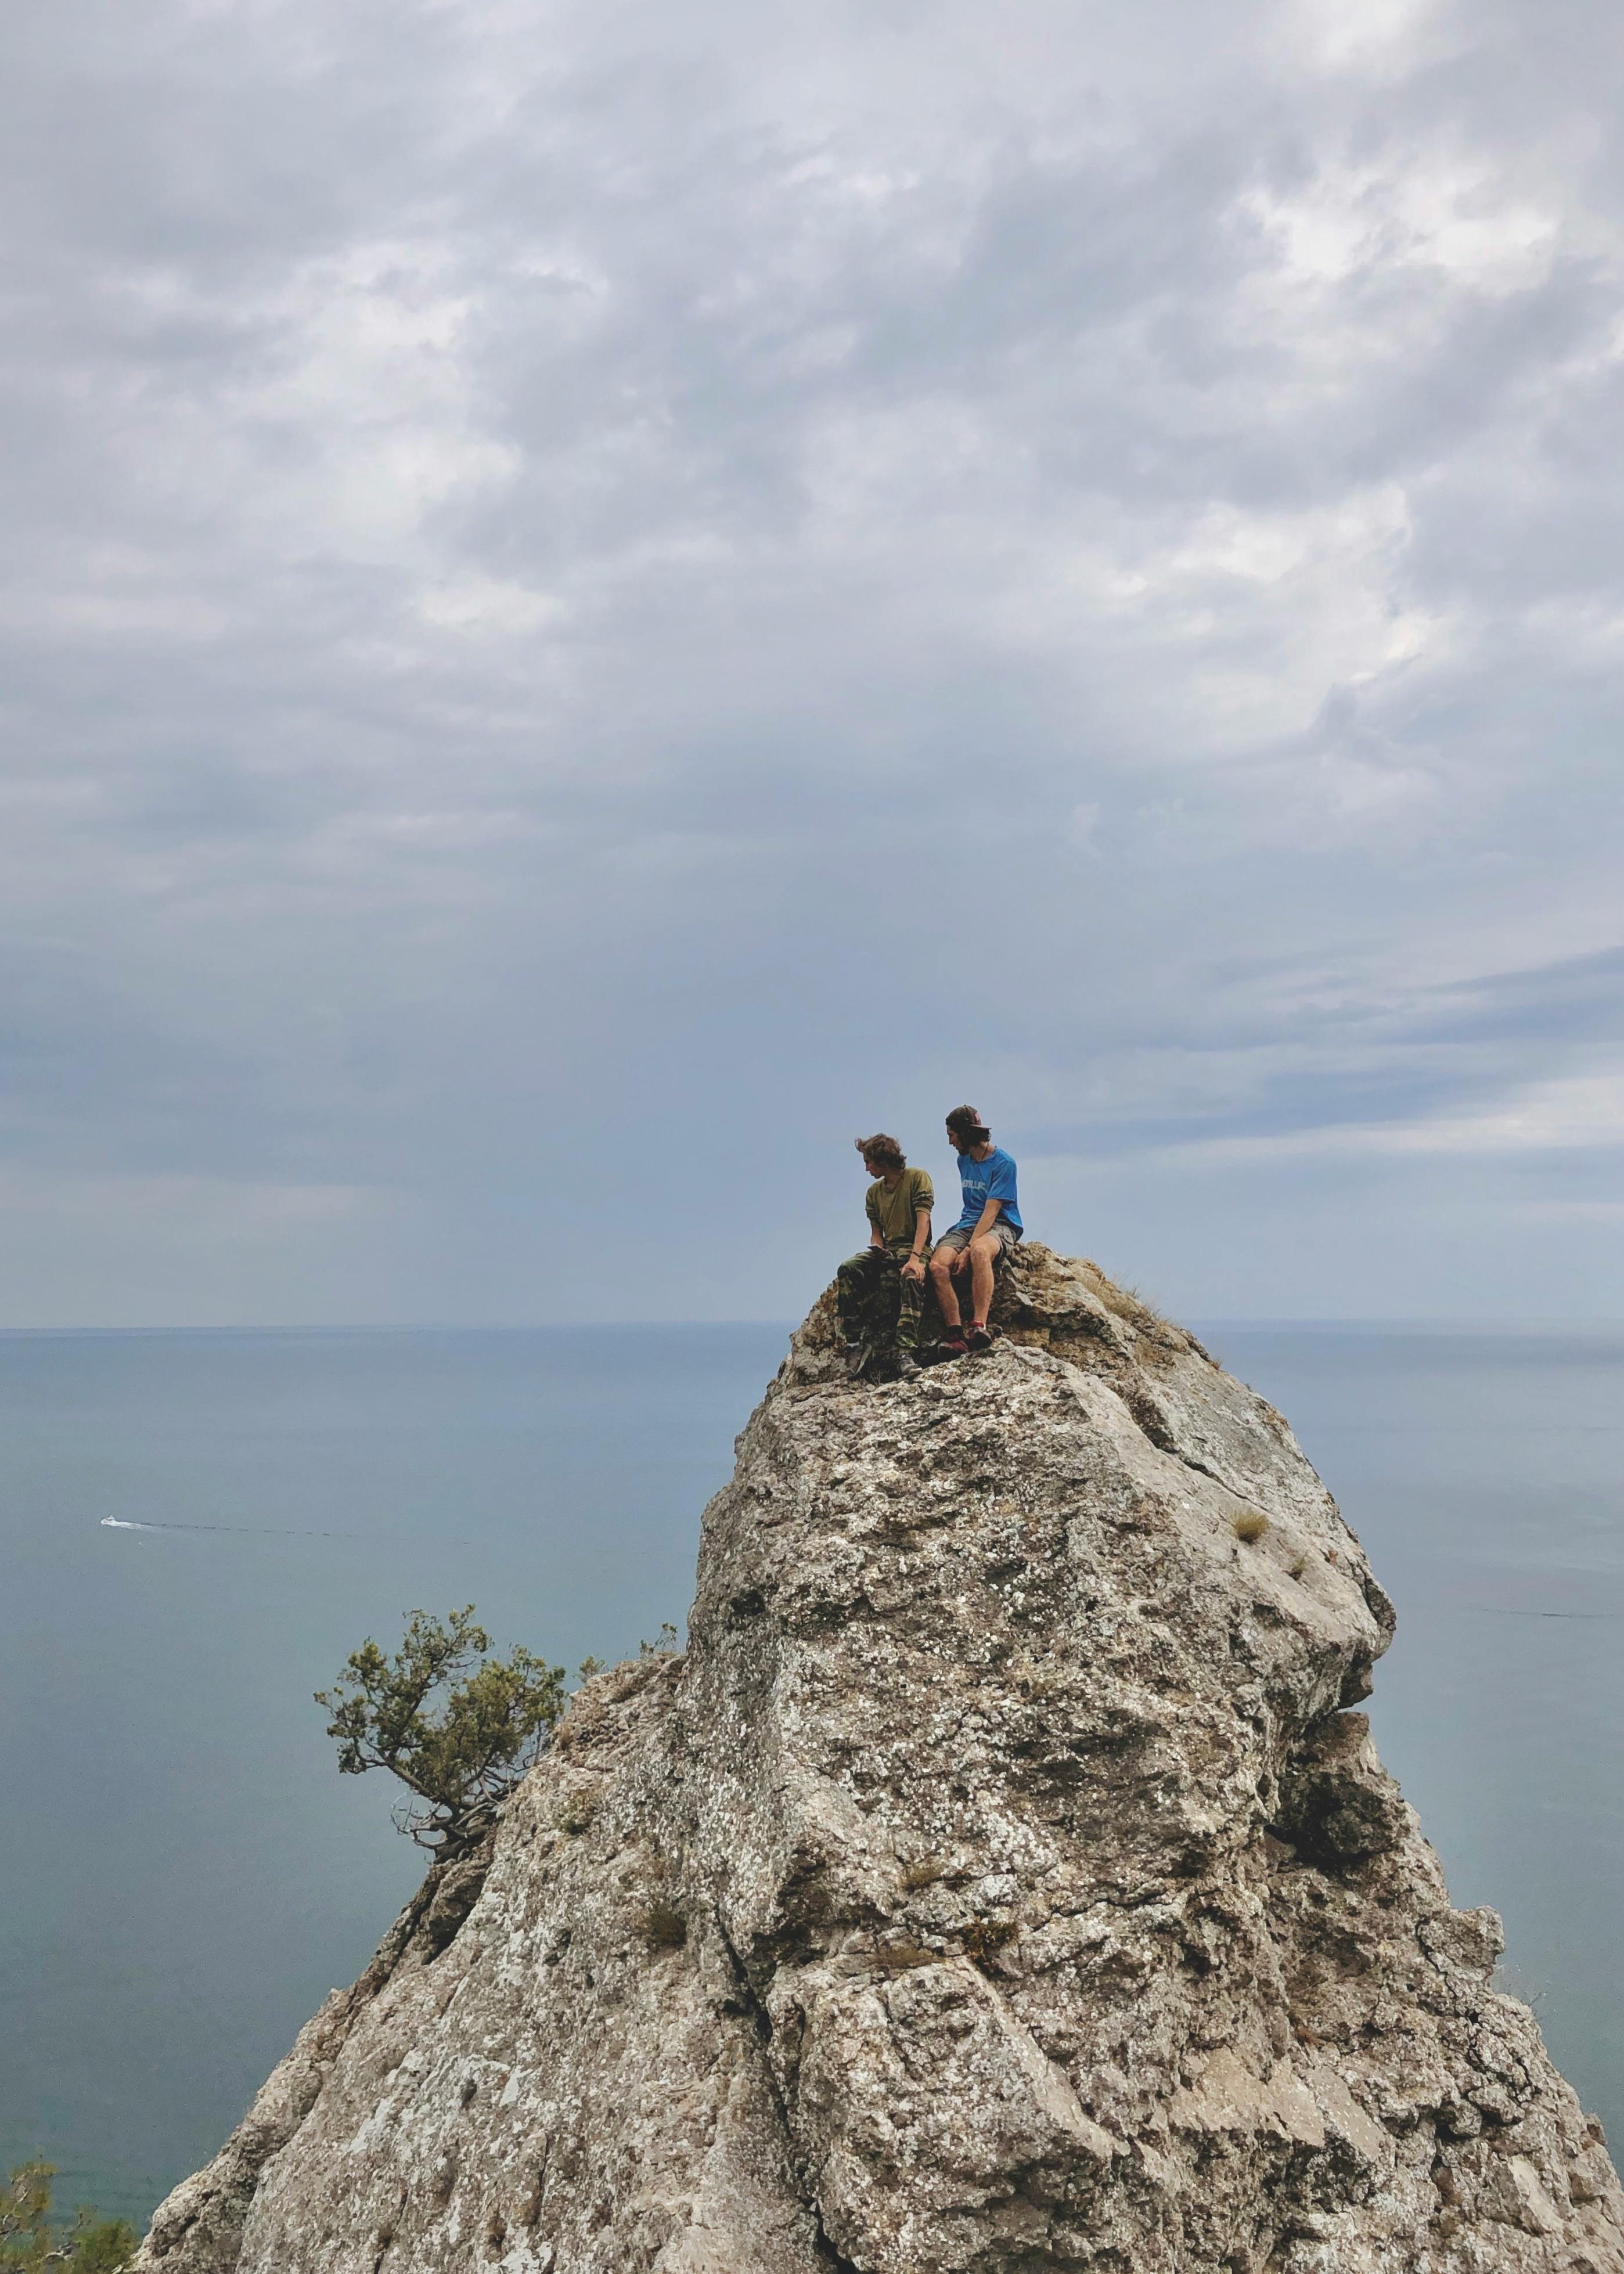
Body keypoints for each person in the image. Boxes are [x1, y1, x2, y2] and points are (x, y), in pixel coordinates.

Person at [836, 1134, 934, 1379]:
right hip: (889, 1251)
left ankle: (905, 1352)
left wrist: (915, 1258)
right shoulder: (874, 1193)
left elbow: (924, 1222)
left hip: (916, 1248)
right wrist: (877, 1249)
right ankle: (854, 1344)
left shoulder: (917, 1179)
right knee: (848, 1268)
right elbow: (876, 1234)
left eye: (870, 1162)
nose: (867, 1168)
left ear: (883, 1161)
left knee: (911, 1279)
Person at [930, 1105, 1022, 1354]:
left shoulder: (1004, 1164)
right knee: (938, 1267)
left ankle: (979, 1327)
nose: (950, 1142)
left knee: (980, 1253)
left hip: (1000, 1224)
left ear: (964, 1134)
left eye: (952, 1135)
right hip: (967, 1223)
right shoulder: (964, 1161)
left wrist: (969, 1248)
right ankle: (956, 1335)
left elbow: (991, 1212)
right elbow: (973, 1211)